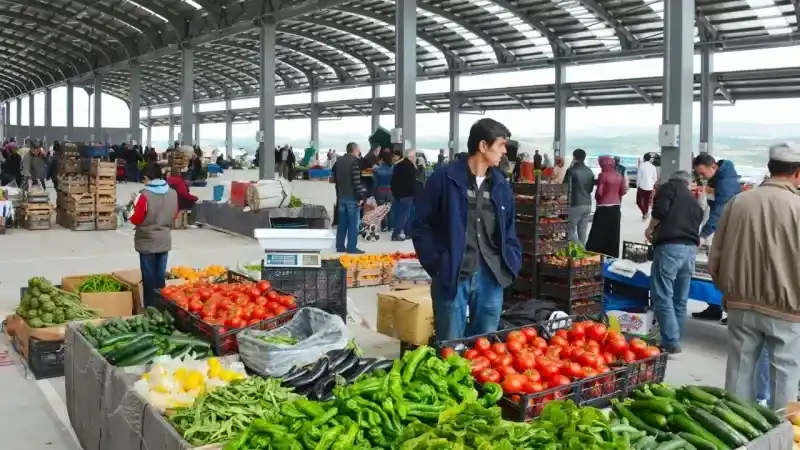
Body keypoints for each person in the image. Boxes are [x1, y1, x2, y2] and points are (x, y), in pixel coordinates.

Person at [412, 118, 522, 340]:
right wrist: (438, 262)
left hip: (491, 275)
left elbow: (509, 227)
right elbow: (420, 225)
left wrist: (511, 259)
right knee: (450, 344)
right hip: (453, 273)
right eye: (501, 145)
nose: (504, 152)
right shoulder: (445, 178)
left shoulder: (501, 185)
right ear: (483, 146)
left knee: (485, 347)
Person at [711, 142, 800, 410]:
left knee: (739, 369)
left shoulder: (738, 202)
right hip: (788, 309)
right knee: (784, 374)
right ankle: (782, 436)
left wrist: (727, 290)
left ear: (769, 168)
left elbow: (717, 255)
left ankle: (739, 433)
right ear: (797, 173)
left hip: (740, 304)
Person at [645, 170, 704, 354]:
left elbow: (660, 210)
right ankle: (674, 339)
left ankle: (670, 341)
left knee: (662, 295)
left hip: (670, 248)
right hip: (690, 251)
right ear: (688, 183)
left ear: (672, 180)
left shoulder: (668, 188)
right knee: (680, 298)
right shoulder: (693, 201)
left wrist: (650, 228)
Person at [691, 153, 741, 322]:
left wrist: (704, 233)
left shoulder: (726, 183)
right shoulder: (718, 177)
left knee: (726, 271)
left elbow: (720, 210)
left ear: (713, 167)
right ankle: (715, 307)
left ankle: (731, 312)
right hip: (721, 228)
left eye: (703, 173)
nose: (701, 177)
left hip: (728, 230)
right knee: (716, 270)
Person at [129, 164, 178, 309]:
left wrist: (133, 203)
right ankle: (163, 306)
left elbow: (135, 219)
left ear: (146, 178)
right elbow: (174, 214)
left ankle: (151, 309)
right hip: (164, 239)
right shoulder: (173, 193)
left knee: (149, 279)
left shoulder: (143, 195)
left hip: (147, 241)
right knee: (160, 277)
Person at [586, 155, 628, 257]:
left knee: (598, 232)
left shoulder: (603, 175)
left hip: (604, 207)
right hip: (616, 207)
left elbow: (600, 193)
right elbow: (623, 191)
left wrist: (597, 199)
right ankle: (612, 254)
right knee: (613, 233)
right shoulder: (619, 175)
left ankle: (595, 253)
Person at [332, 142, 366, 254]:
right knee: (353, 224)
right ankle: (351, 247)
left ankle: (340, 246)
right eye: (358, 150)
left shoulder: (339, 160)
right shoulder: (354, 162)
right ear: (355, 150)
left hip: (341, 196)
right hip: (352, 197)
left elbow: (334, 177)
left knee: (342, 223)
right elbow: (356, 181)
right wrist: (360, 196)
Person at [563, 149, 595, 245]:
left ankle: (579, 249)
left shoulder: (571, 171)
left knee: (569, 229)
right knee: (582, 230)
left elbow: (565, 187)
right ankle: (582, 254)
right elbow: (590, 189)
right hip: (588, 204)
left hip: (575, 203)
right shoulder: (590, 171)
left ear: (574, 157)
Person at [390, 148, 417, 241]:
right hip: (406, 194)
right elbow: (412, 183)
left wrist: (394, 192)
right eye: (415, 155)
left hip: (397, 194)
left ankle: (406, 232)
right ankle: (396, 234)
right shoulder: (410, 167)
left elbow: (393, 181)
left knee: (399, 214)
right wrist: (415, 193)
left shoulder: (398, 165)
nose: (415, 157)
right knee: (404, 215)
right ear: (412, 156)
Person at [373, 150, 394, 232]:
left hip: (380, 191)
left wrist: (373, 193)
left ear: (382, 159)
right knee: (390, 209)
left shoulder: (378, 170)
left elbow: (375, 183)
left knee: (381, 209)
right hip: (390, 191)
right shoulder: (393, 169)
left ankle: (384, 226)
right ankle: (391, 226)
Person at [636, 153, 659, 220]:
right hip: (650, 187)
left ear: (644, 158)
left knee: (639, 202)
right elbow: (655, 179)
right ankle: (645, 213)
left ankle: (644, 213)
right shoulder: (653, 167)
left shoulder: (641, 166)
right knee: (646, 201)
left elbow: (639, 177)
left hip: (641, 186)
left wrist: (637, 185)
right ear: (650, 159)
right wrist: (651, 184)